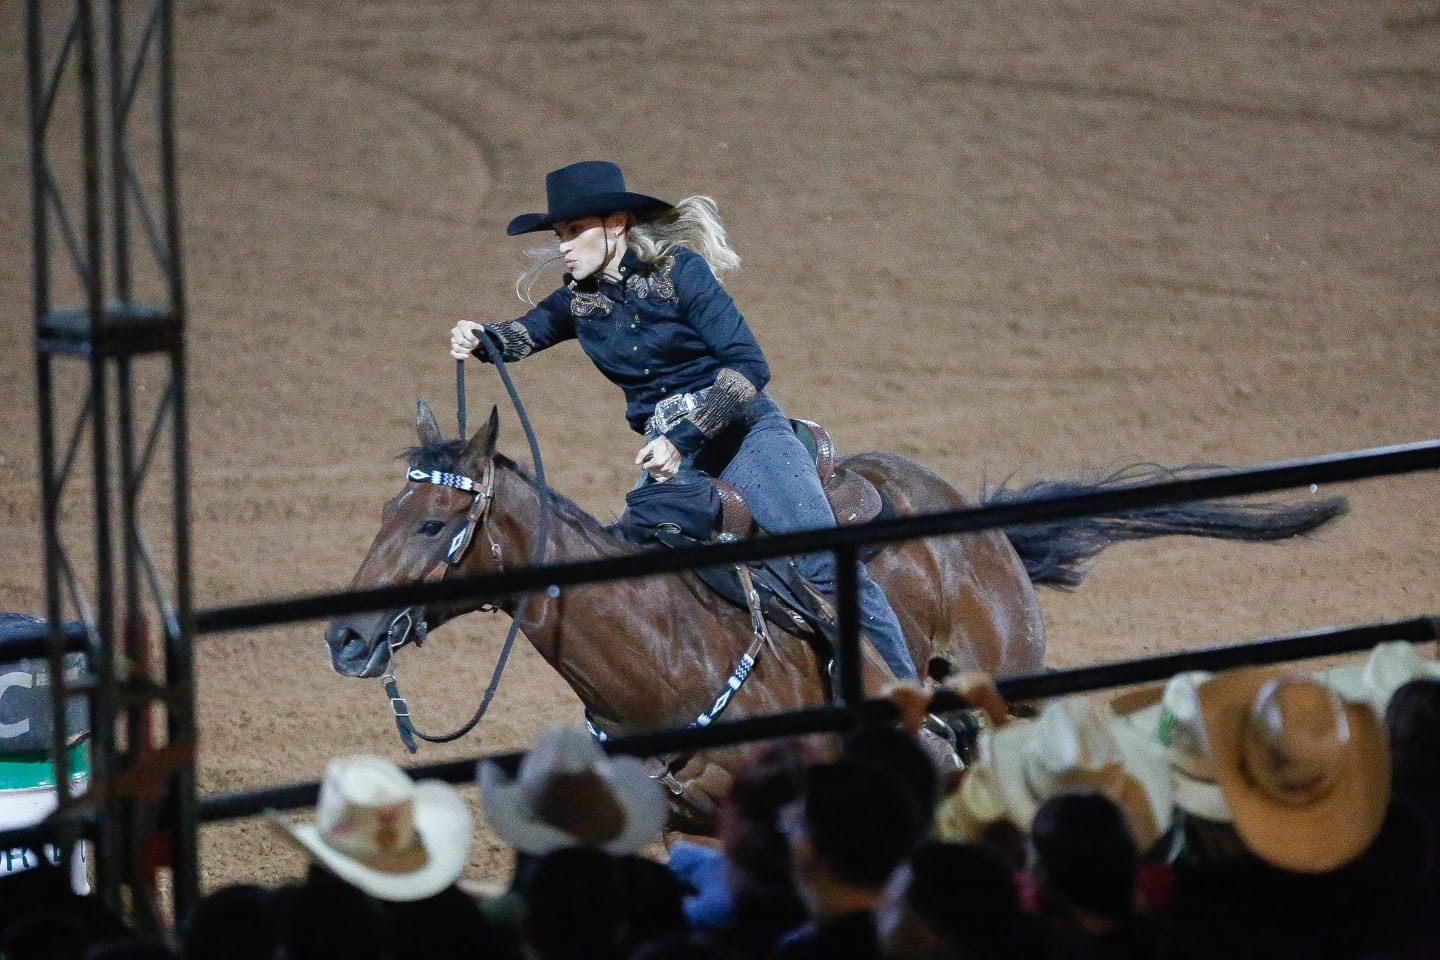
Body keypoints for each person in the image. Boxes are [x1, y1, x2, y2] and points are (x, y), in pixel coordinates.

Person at [448, 160, 917, 680]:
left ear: (617, 225)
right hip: (673, 454)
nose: (563, 246)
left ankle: (906, 693)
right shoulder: (577, 302)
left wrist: (681, 436)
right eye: (560, 234)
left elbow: (748, 367)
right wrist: (481, 337)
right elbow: (523, 334)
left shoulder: (681, 272)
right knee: (634, 576)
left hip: (744, 435)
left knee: (822, 563)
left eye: (575, 231)